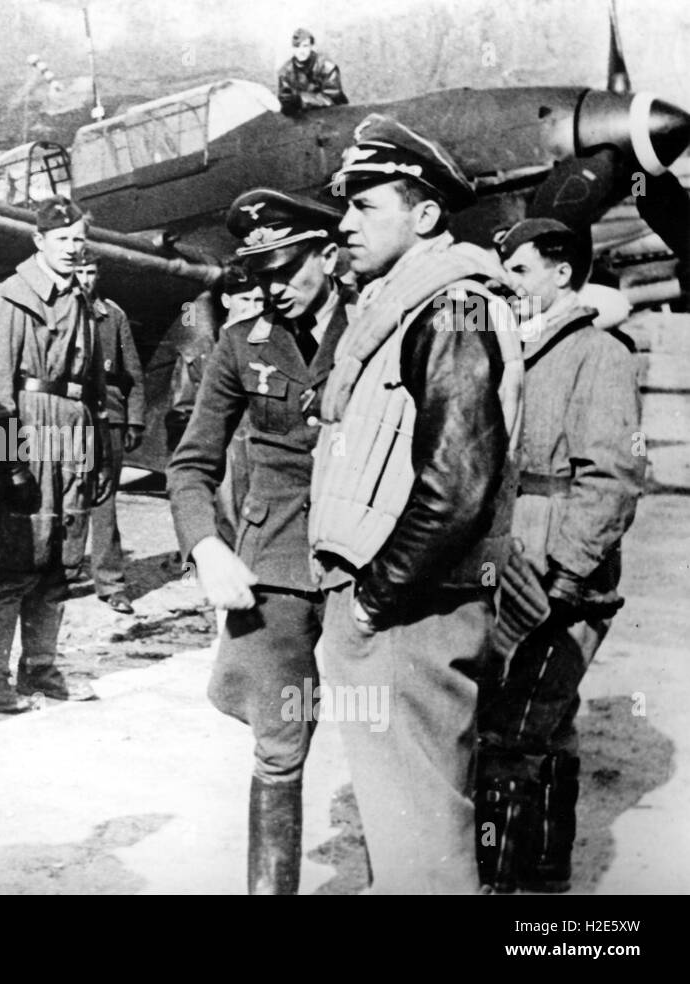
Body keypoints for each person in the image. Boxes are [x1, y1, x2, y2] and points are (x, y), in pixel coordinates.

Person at [308, 114, 524, 893]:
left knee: (423, 856)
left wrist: (373, 601)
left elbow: (459, 481)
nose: (344, 223)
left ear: (426, 215)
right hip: (400, 612)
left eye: (366, 205)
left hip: (409, 614)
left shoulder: (451, 309)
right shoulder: (407, 303)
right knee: (406, 835)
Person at [168, 189, 352, 894]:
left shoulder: (378, 327)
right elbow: (191, 465)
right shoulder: (240, 343)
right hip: (274, 561)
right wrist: (207, 548)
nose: (272, 287)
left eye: (287, 268)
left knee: (392, 727)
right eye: (260, 271)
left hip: (366, 561)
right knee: (279, 742)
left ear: (328, 256)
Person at [476, 218, 644, 893]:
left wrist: (568, 575)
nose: (507, 284)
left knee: (510, 735)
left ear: (562, 273)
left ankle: (498, 882)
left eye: (519, 270)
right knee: (541, 725)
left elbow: (612, 477)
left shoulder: (598, 353)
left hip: (558, 577)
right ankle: (545, 879)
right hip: (515, 566)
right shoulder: (520, 345)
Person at [0, 196, 115, 713]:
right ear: (39, 241)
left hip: (72, 430)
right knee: (17, 556)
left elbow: (95, 388)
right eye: (63, 240)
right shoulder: (9, 299)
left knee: (59, 559)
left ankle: (40, 666)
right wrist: (9, 464)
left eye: (79, 239)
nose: (73, 249)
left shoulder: (84, 302)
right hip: (29, 426)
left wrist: (97, 458)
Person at [65, 248, 145, 614]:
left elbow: (134, 373)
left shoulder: (113, 316)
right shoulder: (61, 313)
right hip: (70, 413)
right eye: (80, 271)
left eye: (92, 271)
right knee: (69, 491)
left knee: (104, 498)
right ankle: (63, 572)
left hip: (107, 415)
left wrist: (134, 419)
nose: (86, 278)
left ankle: (110, 582)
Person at [276, 27, 348, 116]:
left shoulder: (327, 67)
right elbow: (285, 98)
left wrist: (301, 99)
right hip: (302, 118)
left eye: (305, 46)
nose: (301, 51)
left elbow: (333, 98)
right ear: (292, 48)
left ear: (312, 46)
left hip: (333, 115)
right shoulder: (285, 71)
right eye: (297, 46)